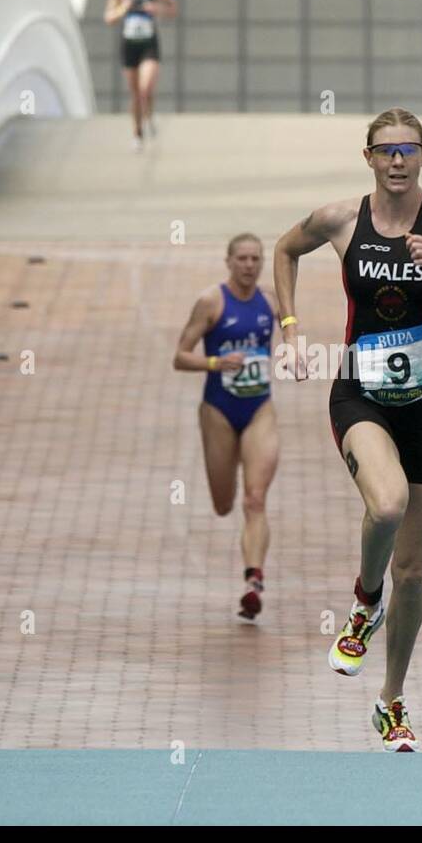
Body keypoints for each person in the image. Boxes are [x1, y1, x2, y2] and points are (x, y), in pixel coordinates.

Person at [272, 107, 422, 751]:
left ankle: (391, 699)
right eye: (385, 150)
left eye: (409, 150)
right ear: (367, 157)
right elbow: (286, 250)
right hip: (359, 391)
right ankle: (364, 600)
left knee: (416, 571)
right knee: (387, 503)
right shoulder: (341, 219)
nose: (398, 161)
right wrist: (289, 329)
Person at [172, 234, 280, 621]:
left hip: (259, 409)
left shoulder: (271, 301)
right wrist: (217, 364)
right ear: (229, 261)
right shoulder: (211, 302)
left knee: (255, 499)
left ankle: (254, 580)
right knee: (223, 504)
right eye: (242, 259)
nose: (249, 265)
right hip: (218, 410)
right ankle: (226, 488)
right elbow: (180, 357)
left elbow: (293, 331)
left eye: (256, 259)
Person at [103, 0, 178, 152]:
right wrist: (122, 9)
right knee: (135, 93)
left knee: (146, 88)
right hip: (129, 44)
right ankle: (137, 133)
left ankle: (149, 115)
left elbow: (173, 9)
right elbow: (108, 17)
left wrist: (158, 9)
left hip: (149, 43)